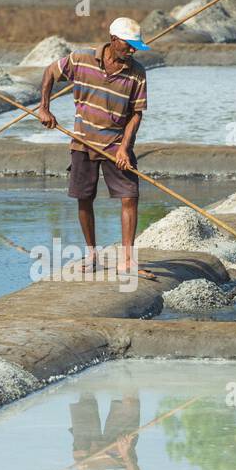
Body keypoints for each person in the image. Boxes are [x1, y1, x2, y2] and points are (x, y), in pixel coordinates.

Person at [36, 17, 155, 280]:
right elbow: (50, 73)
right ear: (114, 40)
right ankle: (92, 255)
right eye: (129, 45)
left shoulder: (137, 72)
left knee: (130, 196)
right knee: (84, 197)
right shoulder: (81, 59)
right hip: (83, 140)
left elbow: (136, 115)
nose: (133, 51)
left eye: (136, 46)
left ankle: (126, 261)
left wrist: (125, 148)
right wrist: (44, 107)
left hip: (116, 144)